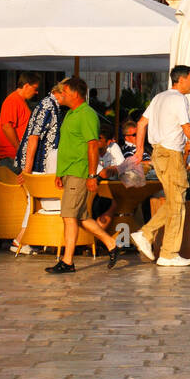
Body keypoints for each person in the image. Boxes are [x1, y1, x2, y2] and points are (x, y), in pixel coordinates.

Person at [131, 65, 190, 267]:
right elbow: (188, 129)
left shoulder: (159, 97)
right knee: (177, 203)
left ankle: (151, 237)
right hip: (170, 154)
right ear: (182, 79)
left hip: (158, 153)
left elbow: (141, 124)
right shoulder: (178, 99)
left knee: (175, 201)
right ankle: (166, 251)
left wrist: (140, 150)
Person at [46, 78, 120, 274]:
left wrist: (91, 175)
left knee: (69, 216)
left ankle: (68, 261)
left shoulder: (86, 114)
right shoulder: (71, 113)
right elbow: (69, 145)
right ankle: (111, 243)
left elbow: (92, 145)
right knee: (80, 216)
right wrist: (60, 172)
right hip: (69, 171)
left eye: (64, 91)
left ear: (73, 92)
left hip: (79, 171)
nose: (61, 94)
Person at [16, 82, 66, 176]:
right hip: (37, 166)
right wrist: (27, 171)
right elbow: (34, 136)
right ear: (63, 93)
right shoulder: (47, 105)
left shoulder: (53, 105)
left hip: (41, 165)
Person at [0, 73, 41, 169]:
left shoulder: (20, 101)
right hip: (11, 157)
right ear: (26, 86)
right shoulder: (13, 100)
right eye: (35, 88)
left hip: (15, 156)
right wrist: (19, 149)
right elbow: (6, 126)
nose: (36, 92)